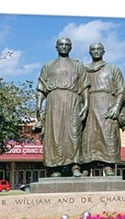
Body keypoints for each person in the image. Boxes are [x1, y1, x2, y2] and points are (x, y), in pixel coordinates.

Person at [35, 37, 90, 177]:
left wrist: (86, 105)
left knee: (74, 133)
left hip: (73, 100)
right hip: (54, 101)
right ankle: (56, 168)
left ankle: (75, 166)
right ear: (56, 47)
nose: (64, 47)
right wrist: (38, 106)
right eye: (61, 44)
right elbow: (41, 88)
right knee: (55, 134)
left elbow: (84, 87)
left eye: (67, 45)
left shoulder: (78, 66)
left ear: (71, 47)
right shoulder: (48, 66)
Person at [81, 42, 125, 176]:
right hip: (90, 105)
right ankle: (86, 166)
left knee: (109, 136)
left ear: (104, 51)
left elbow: (122, 89)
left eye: (99, 49)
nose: (96, 51)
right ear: (89, 52)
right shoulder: (83, 69)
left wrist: (117, 107)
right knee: (88, 137)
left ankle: (108, 166)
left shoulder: (113, 69)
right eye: (93, 49)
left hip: (108, 106)